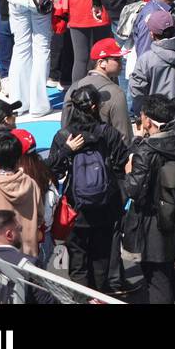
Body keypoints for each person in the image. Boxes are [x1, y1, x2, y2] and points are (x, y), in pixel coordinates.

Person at [46, 83, 129, 290]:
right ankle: (98, 296)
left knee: (77, 259)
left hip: (75, 208)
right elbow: (121, 164)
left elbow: (54, 171)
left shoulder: (64, 136)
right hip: (106, 206)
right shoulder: (108, 133)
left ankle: (81, 297)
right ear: (94, 107)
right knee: (100, 259)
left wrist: (66, 150)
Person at [123, 94, 175, 304]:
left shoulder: (146, 151)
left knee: (156, 279)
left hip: (153, 226)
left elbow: (135, 191)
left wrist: (128, 171)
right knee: (170, 271)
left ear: (148, 120)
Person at [62, 37, 132, 144]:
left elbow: (65, 126)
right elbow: (124, 136)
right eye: (117, 59)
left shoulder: (74, 87)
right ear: (101, 63)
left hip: (77, 155)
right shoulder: (116, 94)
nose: (121, 62)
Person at [130, 12, 175, 114]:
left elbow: (137, 92)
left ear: (152, 34)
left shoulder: (146, 60)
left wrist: (142, 115)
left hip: (159, 116)